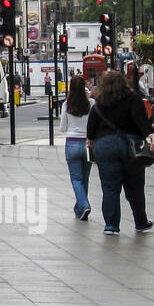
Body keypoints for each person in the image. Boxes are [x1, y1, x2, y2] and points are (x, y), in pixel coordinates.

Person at [85, 70, 154, 236]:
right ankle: (140, 221)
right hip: (130, 145)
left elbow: (91, 127)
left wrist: (90, 141)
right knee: (135, 186)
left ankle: (111, 225)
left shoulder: (99, 102)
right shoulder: (133, 98)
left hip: (105, 145)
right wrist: (152, 135)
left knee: (110, 187)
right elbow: (141, 120)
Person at [59, 76, 93, 220]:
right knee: (84, 178)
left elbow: (62, 128)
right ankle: (80, 209)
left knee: (76, 179)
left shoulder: (67, 104)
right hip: (88, 143)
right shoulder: (91, 103)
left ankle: (83, 205)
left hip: (72, 142)